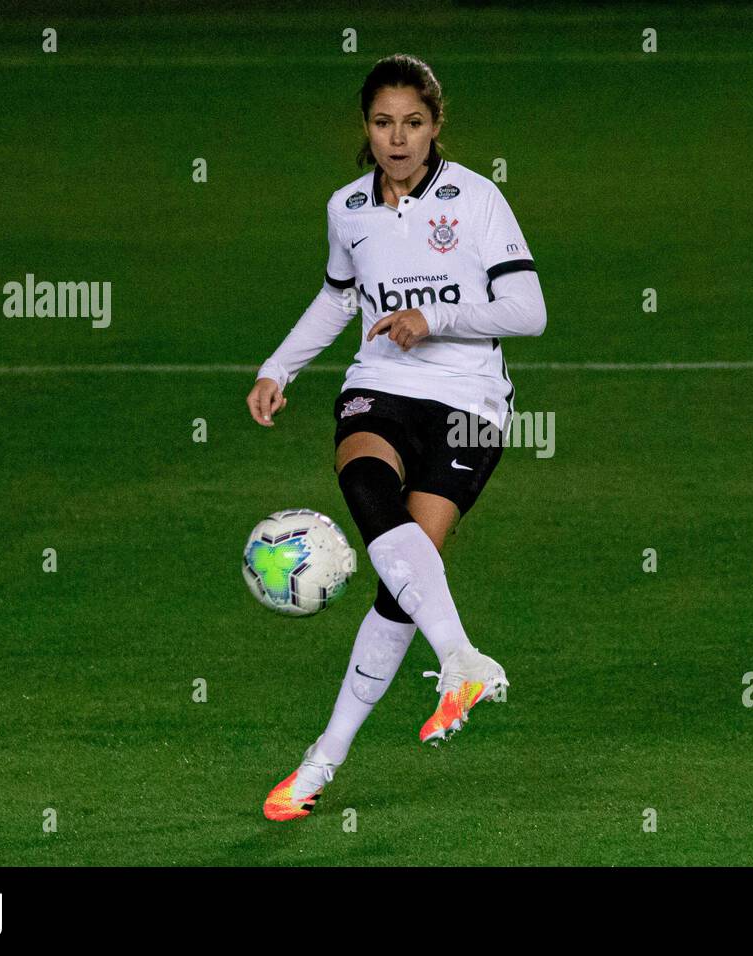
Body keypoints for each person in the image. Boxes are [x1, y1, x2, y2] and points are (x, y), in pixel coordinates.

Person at [246, 54, 547, 822]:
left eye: (413, 123)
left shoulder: (477, 199)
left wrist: (433, 317)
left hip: (468, 402)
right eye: (383, 123)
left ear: (436, 125)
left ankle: (322, 761)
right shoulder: (347, 207)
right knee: (369, 491)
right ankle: (460, 662)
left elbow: (527, 310)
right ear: (366, 128)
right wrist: (281, 366)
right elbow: (338, 295)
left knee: (400, 586)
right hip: (380, 385)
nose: (398, 139)